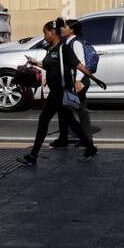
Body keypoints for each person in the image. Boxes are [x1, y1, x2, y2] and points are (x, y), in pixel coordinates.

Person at [20, 20, 96, 165]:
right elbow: (50, 65)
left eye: (45, 33)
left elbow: (78, 65)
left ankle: (33, 155)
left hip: (61, 92)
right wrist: (36, 63)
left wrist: (94, 78)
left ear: (52, 32)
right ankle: (90, 147)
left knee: (44, 120)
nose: (44, 37)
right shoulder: (51, 49)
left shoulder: (64, 48)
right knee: (71, 122)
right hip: (55, 91)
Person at [51, 18, 102, 148]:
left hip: (79, 81)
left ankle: (86, 141)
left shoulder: (75, 43)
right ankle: (73, 139)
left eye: (65, 26)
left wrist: (78, 81)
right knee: (70, 111)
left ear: (72, 30)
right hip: (73, 81)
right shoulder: (68, 42)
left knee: (77, 111)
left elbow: (81, 64)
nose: (63, 28)